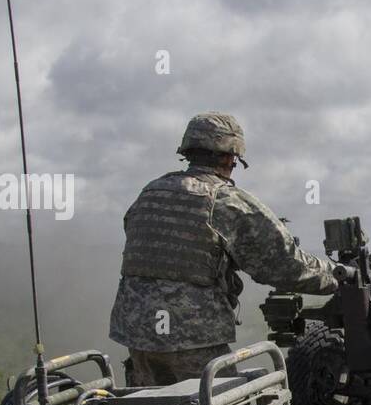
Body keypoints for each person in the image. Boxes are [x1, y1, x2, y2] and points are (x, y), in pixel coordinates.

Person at [109, 112, 338, 386]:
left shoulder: (150, 192)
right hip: (192, 338)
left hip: (136, 334)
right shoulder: (227, 202)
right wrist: (339, 275)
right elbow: (286, 266)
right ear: (231, 156)